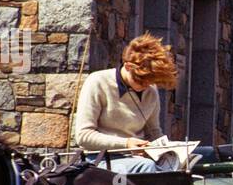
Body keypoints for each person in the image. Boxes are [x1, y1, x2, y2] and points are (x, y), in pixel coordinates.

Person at [72, 33, 178, 173]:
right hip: (100, 160)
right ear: (128, 66)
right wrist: (127, 143)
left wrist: (171, 152)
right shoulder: (97, 82)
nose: (145, 86)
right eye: (140, 80)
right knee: (147, 168)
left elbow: (153, 132)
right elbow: (83, 136)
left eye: (150, 81)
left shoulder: (151, 91)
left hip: (137, 160)